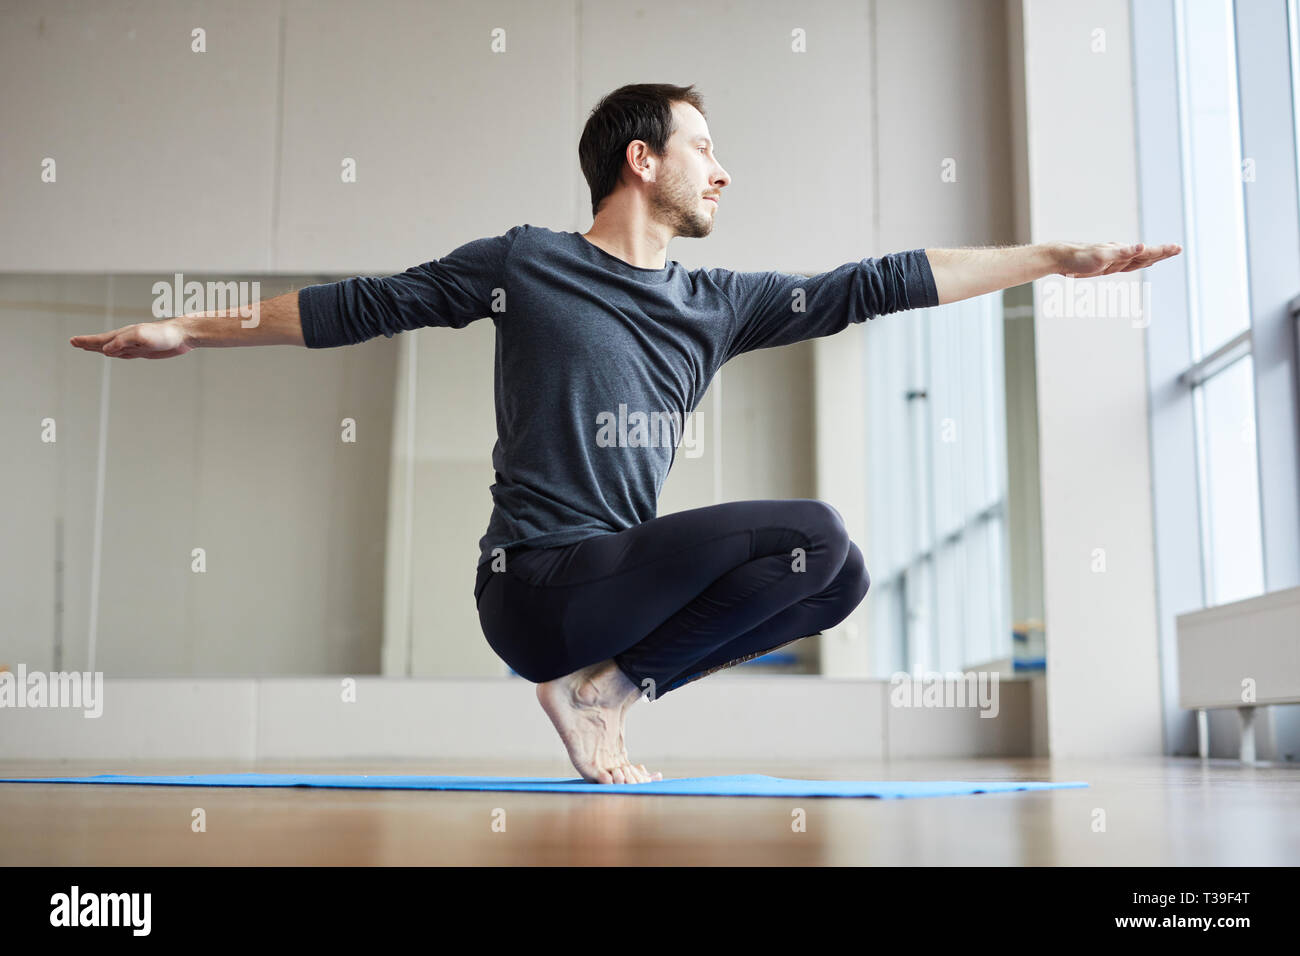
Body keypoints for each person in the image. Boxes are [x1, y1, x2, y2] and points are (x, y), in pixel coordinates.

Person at [70, 82, 1181, 785]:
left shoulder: (718, 301)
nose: (723, 167)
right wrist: (187, 327)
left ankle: (607, 689)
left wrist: (1045, 258)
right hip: (532, 584)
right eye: (703, 145)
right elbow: (362, 304)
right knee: (815, 528)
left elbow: (874, 283)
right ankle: (595, 688)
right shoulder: (525, 265)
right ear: (640, 160)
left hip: (610, 597)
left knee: (833, 577)